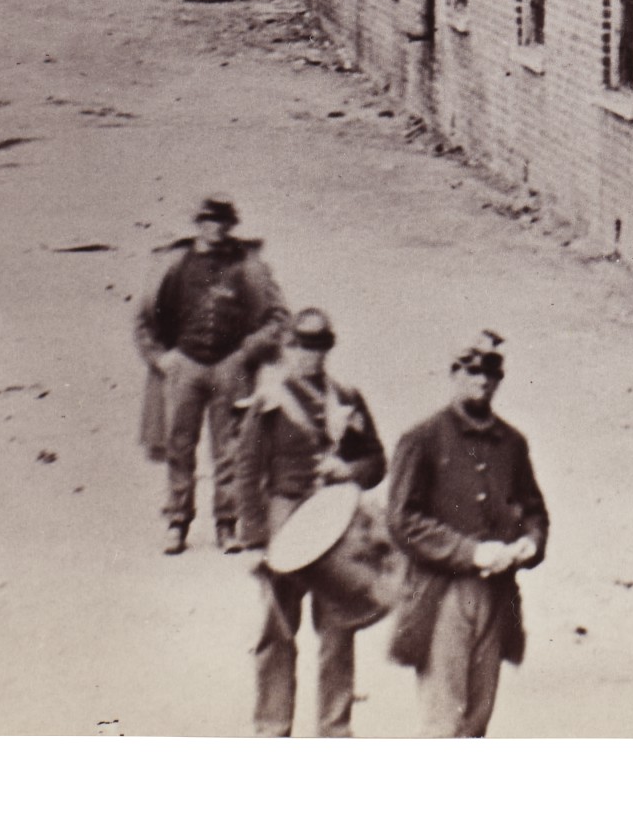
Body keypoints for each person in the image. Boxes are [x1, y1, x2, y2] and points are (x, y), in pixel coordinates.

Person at [384, 332, 550, 737]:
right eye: (472, 371)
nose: (482, 381)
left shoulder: (512, 443)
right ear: (454, 374)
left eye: (491, 373)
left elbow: (534, 509)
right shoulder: (422, 439)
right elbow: (402, 520)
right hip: (441, 592)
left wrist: (530, 543)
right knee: (443, 719)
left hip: (497, 592)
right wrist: (470, 552)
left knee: (478, 716)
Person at [233, 306, 388, 738]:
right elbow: (247, 471)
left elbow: (377, 461)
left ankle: (334, 731)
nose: (310, 356)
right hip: (285, 519)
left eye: (319, 347)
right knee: (277, 629)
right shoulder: (270, 402)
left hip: (336, 524)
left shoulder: (347, 398)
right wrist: (253, 539)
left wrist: (351, 472)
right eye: (302, 346)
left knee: (339, 628)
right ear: (288, 348)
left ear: (328, 350)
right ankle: (272, 728)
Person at [133, 197, 286, 554]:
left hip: (230, 367)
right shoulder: (172, 265)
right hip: (184, 365)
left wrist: (248, 351)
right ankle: (177, 522)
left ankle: (226, 524)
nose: (214, 228)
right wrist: (161, 357)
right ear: (197, 224)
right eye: (207, 221)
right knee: (179, 446)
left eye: (222, 221)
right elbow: (143, 320)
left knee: (230, 448)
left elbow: (278, 316)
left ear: (231, 225)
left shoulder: (250, 267)